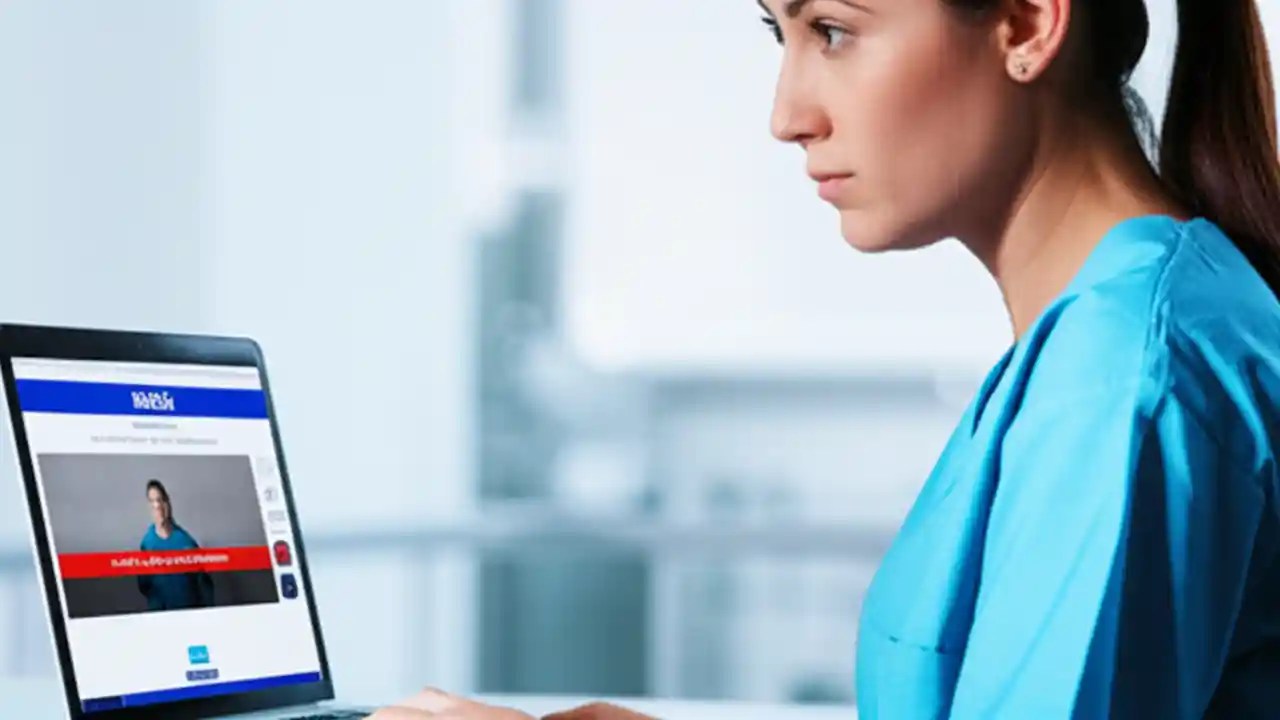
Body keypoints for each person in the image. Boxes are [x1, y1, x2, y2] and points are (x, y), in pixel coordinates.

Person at [371, 0, 1280, 716]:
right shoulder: (1099, 336)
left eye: (834, 32)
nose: (787, 114)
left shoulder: (1127, 379)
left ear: (1028, 23)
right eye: (780, 32)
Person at [138, 479, 215, 611]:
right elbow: (144, 586)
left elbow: (204, 585)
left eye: (160, 500)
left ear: (167, 503)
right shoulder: (147, 545)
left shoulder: (186, 542)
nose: (158, 506)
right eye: (153, 501)